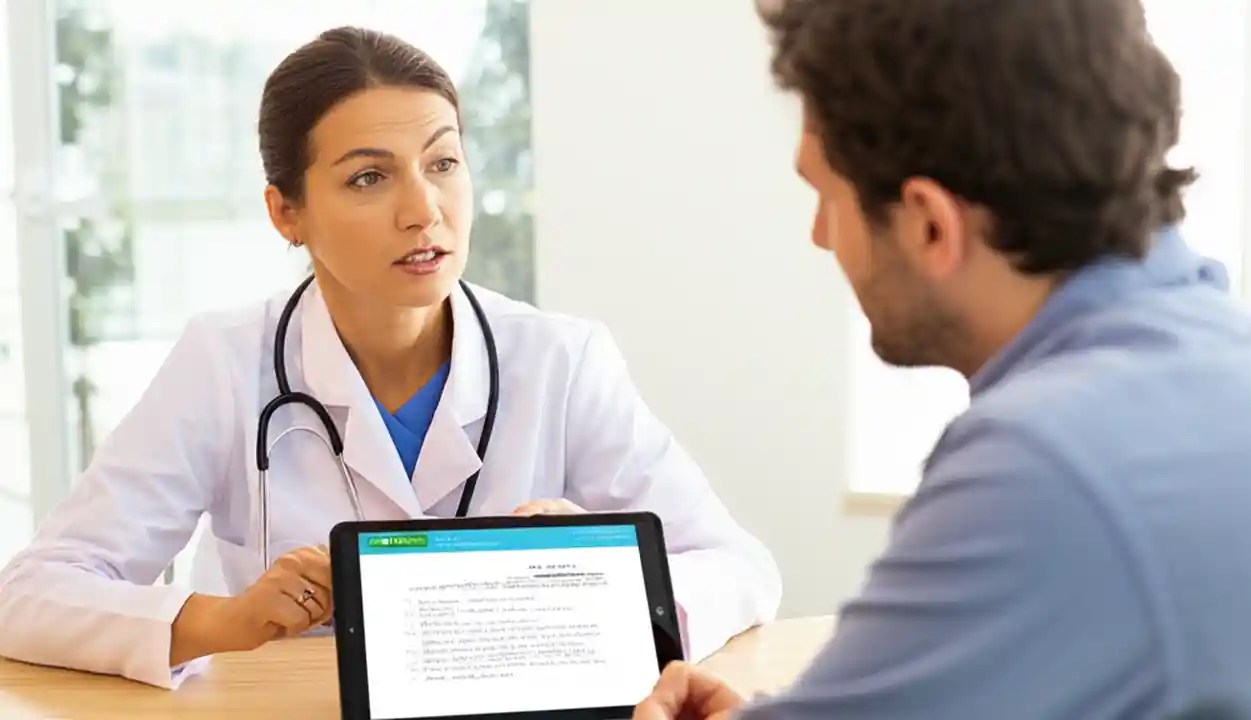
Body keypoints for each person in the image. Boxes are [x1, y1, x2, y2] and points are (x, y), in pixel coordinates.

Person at [0, 27, 780, 689]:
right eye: (369, 177)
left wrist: (602, 573)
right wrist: (224, 620)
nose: (423, 210)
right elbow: (28, 596)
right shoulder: (225, 362)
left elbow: (742, 569)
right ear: (286, 212)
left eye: (442, 163)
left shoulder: (561, 359)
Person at [636, 0, 1251, 718]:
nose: (819, 236)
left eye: (824, 196)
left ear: (930, 225)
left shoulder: (1045, 463)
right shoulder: (1231, 358)